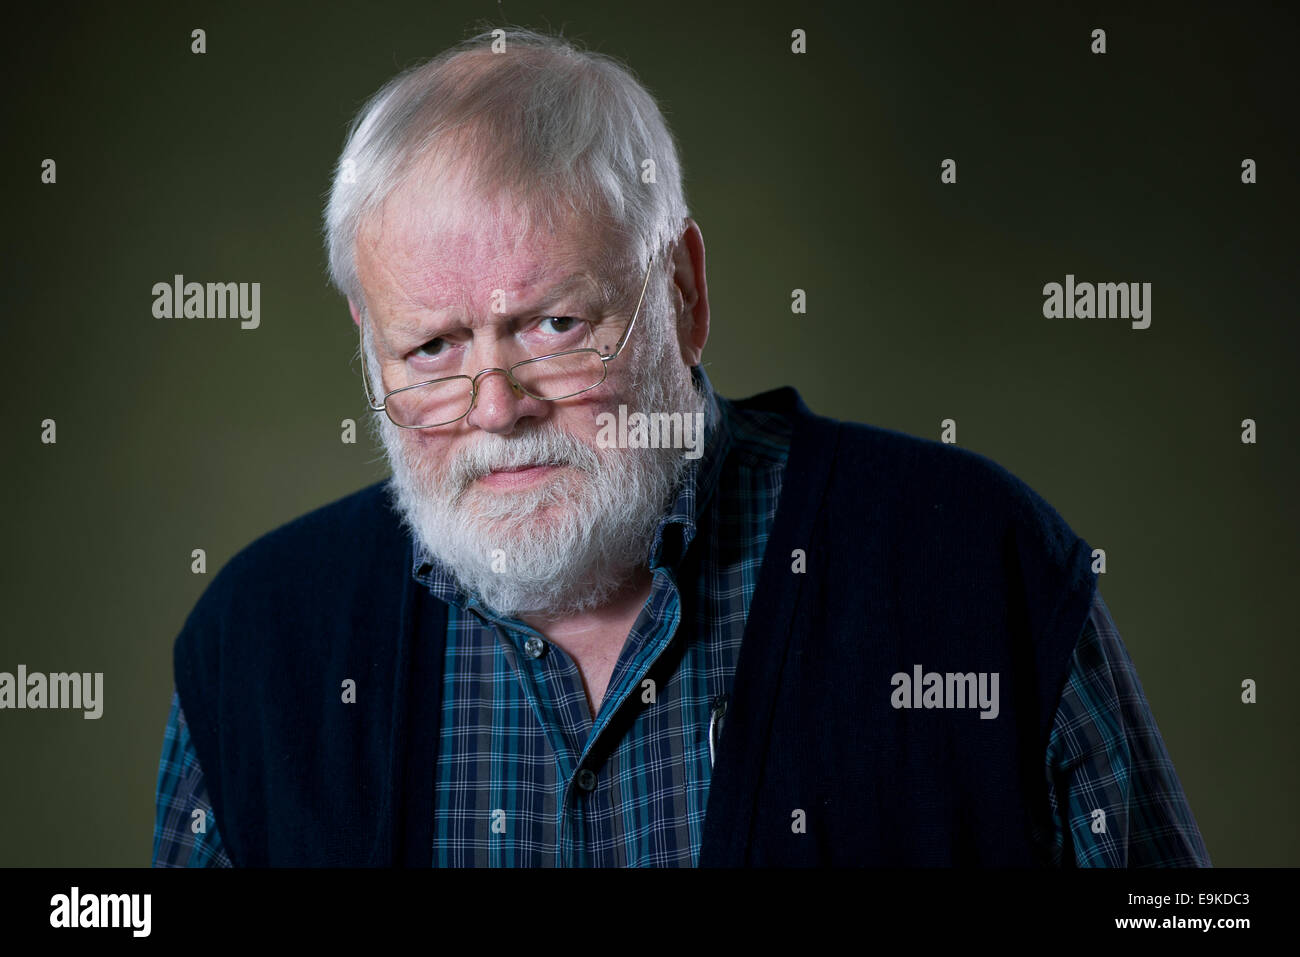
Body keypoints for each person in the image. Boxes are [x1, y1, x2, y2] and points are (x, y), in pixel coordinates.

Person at [153, 25, 1210, 867]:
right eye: (431, 347)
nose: (495, 407)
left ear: (682, 293)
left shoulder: (978, 567)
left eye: (553, 326)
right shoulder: (253, 653)